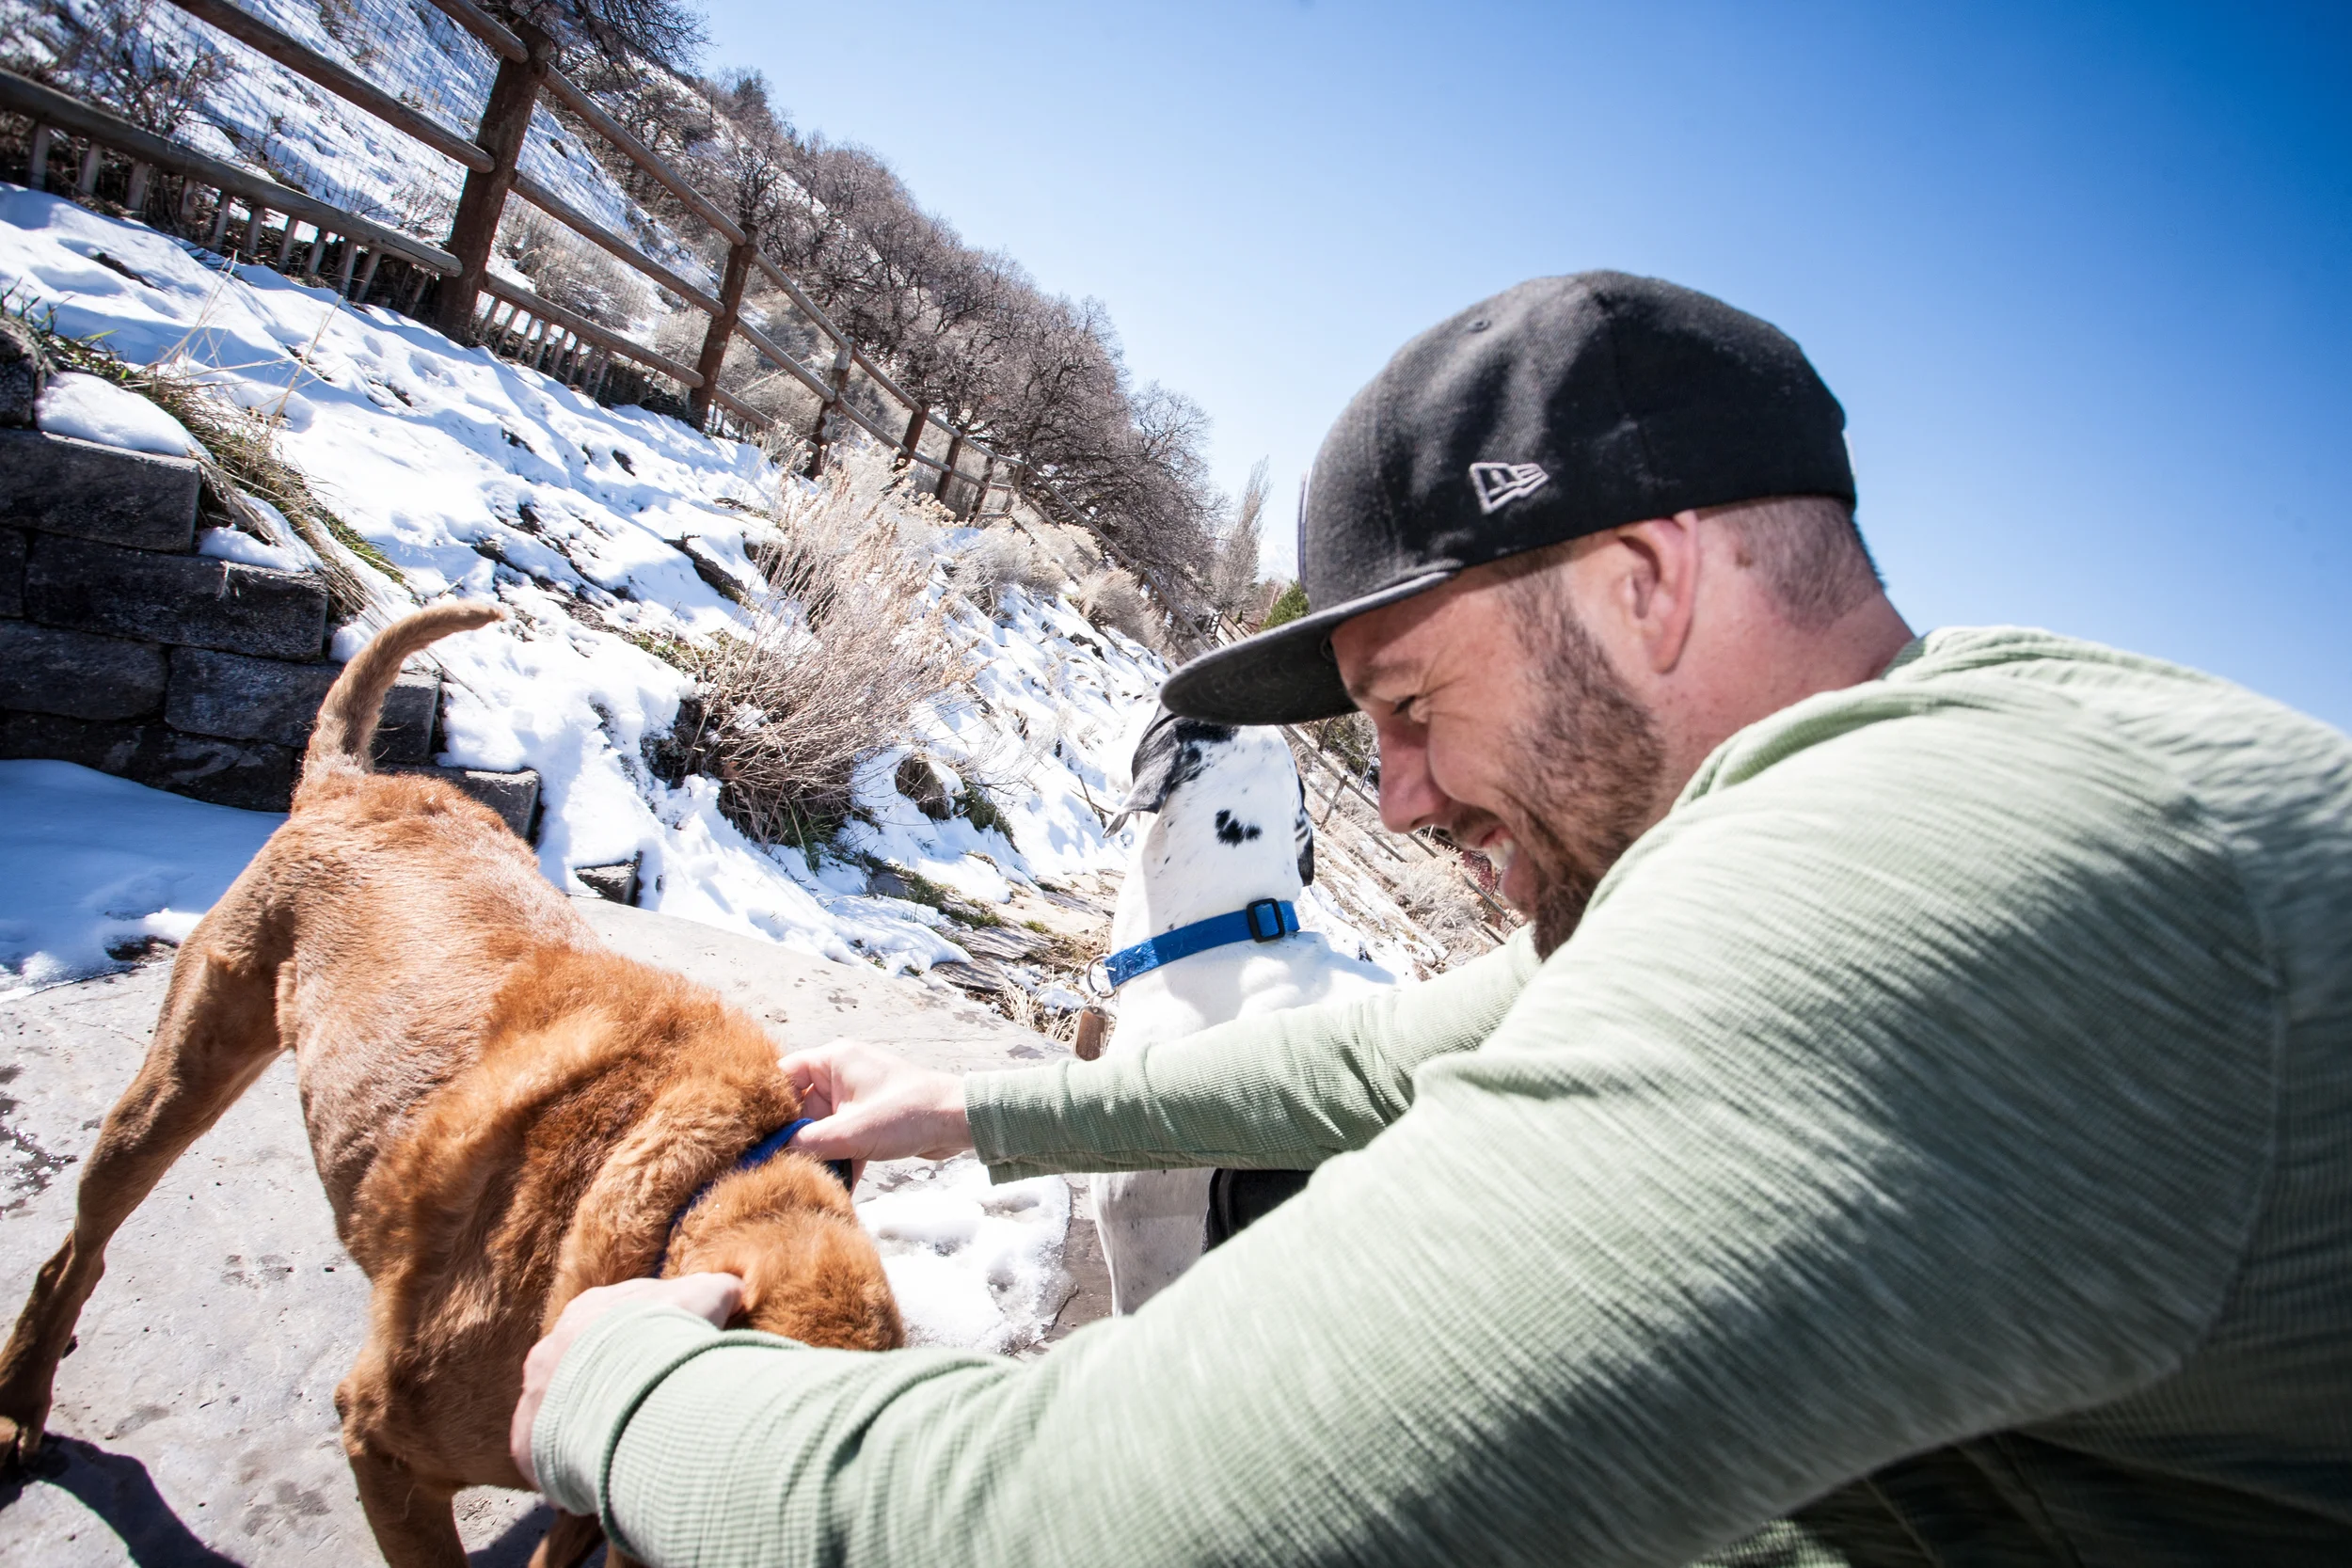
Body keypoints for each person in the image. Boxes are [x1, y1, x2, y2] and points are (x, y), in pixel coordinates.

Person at [508, 273, 2352, 1566]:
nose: (1388, 799)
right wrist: (973, 1108)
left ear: (1641, 583)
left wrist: (627, 1381)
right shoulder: (1943, 778)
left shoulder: (1940, 882)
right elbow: (1378, 1052)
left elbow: (1095, 1525)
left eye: (1406, 711)